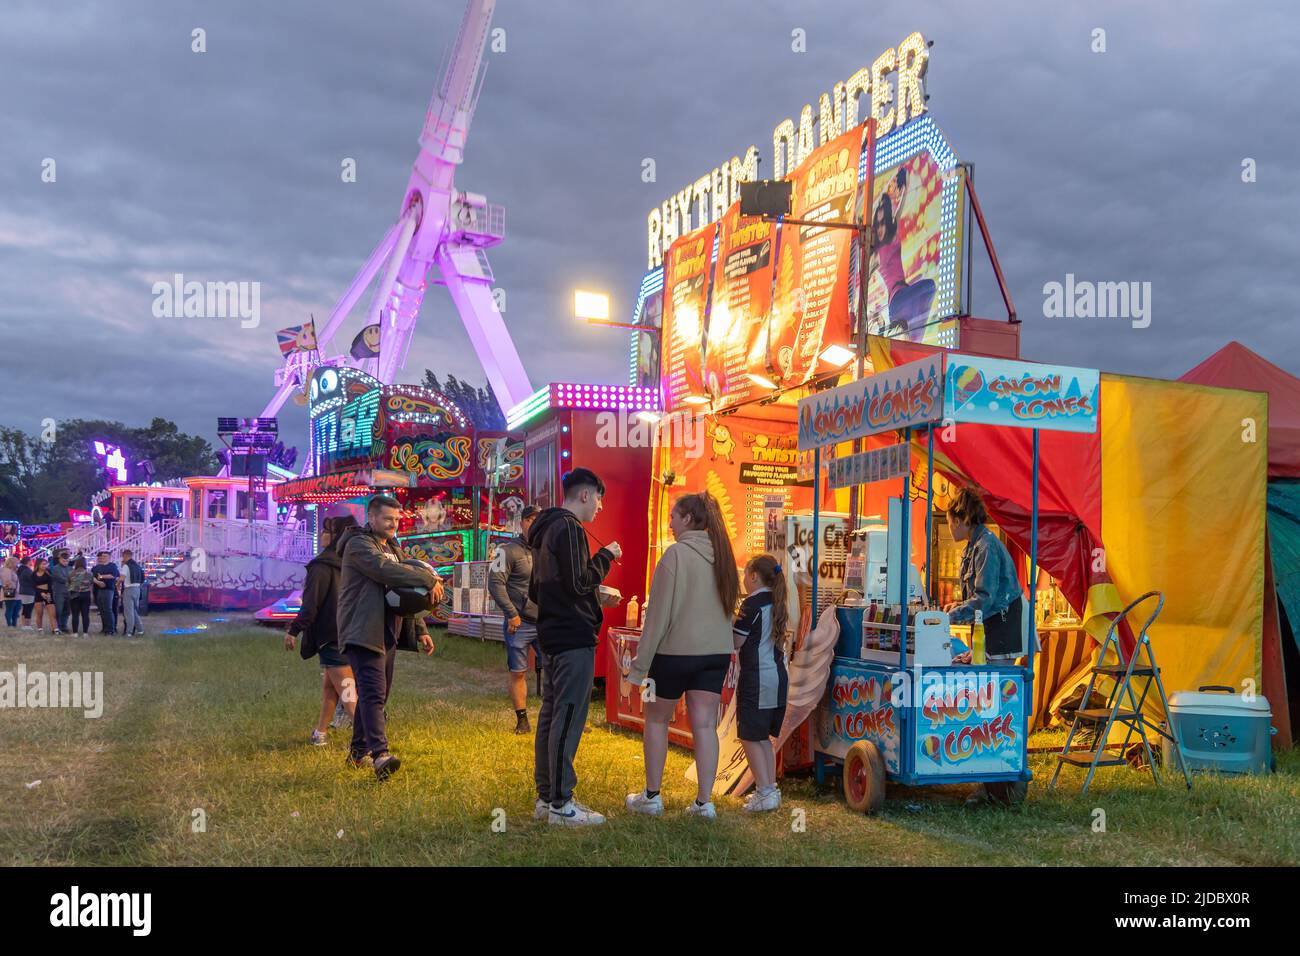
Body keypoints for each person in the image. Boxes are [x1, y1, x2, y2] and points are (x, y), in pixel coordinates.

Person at [624, 492, 738, 819]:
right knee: (705, 726)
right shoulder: (725, 558)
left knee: (656, 721)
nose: (670, 524)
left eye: (673, 517)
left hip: (673, 654)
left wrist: (638, 668)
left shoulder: (674, 556)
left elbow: (656, 619)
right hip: (715, 655)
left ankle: (652, 796)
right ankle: (704, 803)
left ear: (688, 519)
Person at [527, 468, 621, 827]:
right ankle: (561, 803)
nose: (599, 506)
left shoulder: (544, 530)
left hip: (552, 634)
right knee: (567, 716)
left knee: (552, 715)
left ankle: (547, 796)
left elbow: (542, 590)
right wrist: (607, 556)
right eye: (599, 498)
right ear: (585, 495)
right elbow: (581, 580)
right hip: (572, 637)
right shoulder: (568, 528)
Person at [336, 495, 441, 780]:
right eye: (387, 519)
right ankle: (380, 755)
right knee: (372, 693)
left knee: (378, 695)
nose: (394, 524)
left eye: (397, 519)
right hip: (362, 630)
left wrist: (421, 629)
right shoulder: (359, 545)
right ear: (371, 518)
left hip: (387, 631)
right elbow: (387, 571)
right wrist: (429, 578)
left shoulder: (393, 546)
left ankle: (358, 752)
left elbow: (405, 595)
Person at [285, 515, 360, 746]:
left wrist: (294, 630)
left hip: (332, 636)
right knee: (331, 687)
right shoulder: (354, 563)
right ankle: (320, 733)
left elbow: (310, 605)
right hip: (354, 632)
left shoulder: (321, 566)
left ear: (337, 535)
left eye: (327, 530)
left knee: (347, 691)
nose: (322, 535)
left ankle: (368, 740)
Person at [732, 554, 791, 813]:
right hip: (778, 677)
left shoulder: (751, 604)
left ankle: (765, 791)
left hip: (757, 678)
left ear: (754, 576)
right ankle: (769, 790)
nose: (744, 580)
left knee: (749, 736)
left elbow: (736, 642)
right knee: (763, 738)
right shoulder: (777, 601)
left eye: (745, 574)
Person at [941, 486, 1024, 661]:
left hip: (1001, 630)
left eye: (949, 523)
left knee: (996, 685)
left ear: (959, 521)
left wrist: (949, 617)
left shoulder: (986, 546)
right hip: (989, 629)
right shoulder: (973, 546)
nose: (950, 528)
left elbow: (985, 598)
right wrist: (959, 605)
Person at [488, 504, 542, 734]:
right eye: (529, 519)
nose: (534, 524)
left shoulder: (548, 551)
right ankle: (522, 720)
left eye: (538, 520)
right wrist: (511, 613)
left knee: (556, 669)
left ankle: (558, 717)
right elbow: (495, 583)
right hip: (519, 623)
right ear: (522, 522)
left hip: (546, 622)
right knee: (518, 671)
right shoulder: (506, 550)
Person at [91, 551, 120, 635]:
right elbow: (91, 576)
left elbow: (113, 575)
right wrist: (98, 582)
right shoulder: (97, 567)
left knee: (108, 609)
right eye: (102, 556)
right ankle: (104, 628)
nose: (103, 558)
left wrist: (102, 576)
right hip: (98, 590)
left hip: (109, 590)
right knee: (102, 610)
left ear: (109, 557)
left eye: (105, 556)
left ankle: (111, 629)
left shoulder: (112, 566)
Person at [118, 549, 146, 637]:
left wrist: (117, 584)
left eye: (123, 556)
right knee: (133, 611)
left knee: (128, 612)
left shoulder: (126, 566)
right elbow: (143, 578)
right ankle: (140, 630)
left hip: (129, 589)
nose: (122, 558)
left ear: (126, 556)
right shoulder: (138, 566)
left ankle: (129, 632)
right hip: (137, 589)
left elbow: (122, 578)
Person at [67, 557, 93, 635]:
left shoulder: (71, 573)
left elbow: (68, 584)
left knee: (75, 614)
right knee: (85, 614)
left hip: (74, 594)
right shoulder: (89, 573)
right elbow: (91, 583)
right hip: (85, 594)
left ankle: (75, 633)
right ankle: (85, 633)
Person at [50, 550, 71, 635]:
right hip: (59, 592)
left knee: (67, 610)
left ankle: (64, 626)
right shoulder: (55, 568)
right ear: (59, 559)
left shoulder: (70, 568)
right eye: (63, 560)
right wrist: (71, 580)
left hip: (69, 592)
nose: (65, 562)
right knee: (59, 610)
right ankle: (57, 627)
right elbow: (62, 579)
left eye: (67, 561)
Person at [31, 558, 53, 633]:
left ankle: (55, 629)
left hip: (48, 593)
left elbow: (50, 584)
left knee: (52, 613)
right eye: (43, 564)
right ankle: (40, 629)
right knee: (39, 613)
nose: (45, 565)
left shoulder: (48, 572)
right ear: (38, 565)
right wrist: (41, 592)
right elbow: (34, 586)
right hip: (38, 594)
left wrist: (48, 593)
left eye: (46, 564)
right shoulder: (33, 574)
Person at [1, 556, 20, 628]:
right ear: (12, 563)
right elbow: (7, 581)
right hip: (10, 592)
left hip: (16, 593)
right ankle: (10, 624)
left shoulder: (12, 570)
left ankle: (14, 624)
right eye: (16, 562)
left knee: (16, 609)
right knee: (10, 608)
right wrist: (13, 587)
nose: (17, 564)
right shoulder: (6, 570)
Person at [17, 557, 36, 629]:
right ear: (28, 562)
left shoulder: (21, 569)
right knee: (29, 608)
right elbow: (33, 581)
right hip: (29, 591)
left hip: (23, 591)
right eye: (31, 561)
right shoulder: (27, 571)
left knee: (25, 608)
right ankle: (27, 625)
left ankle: (24, 625)